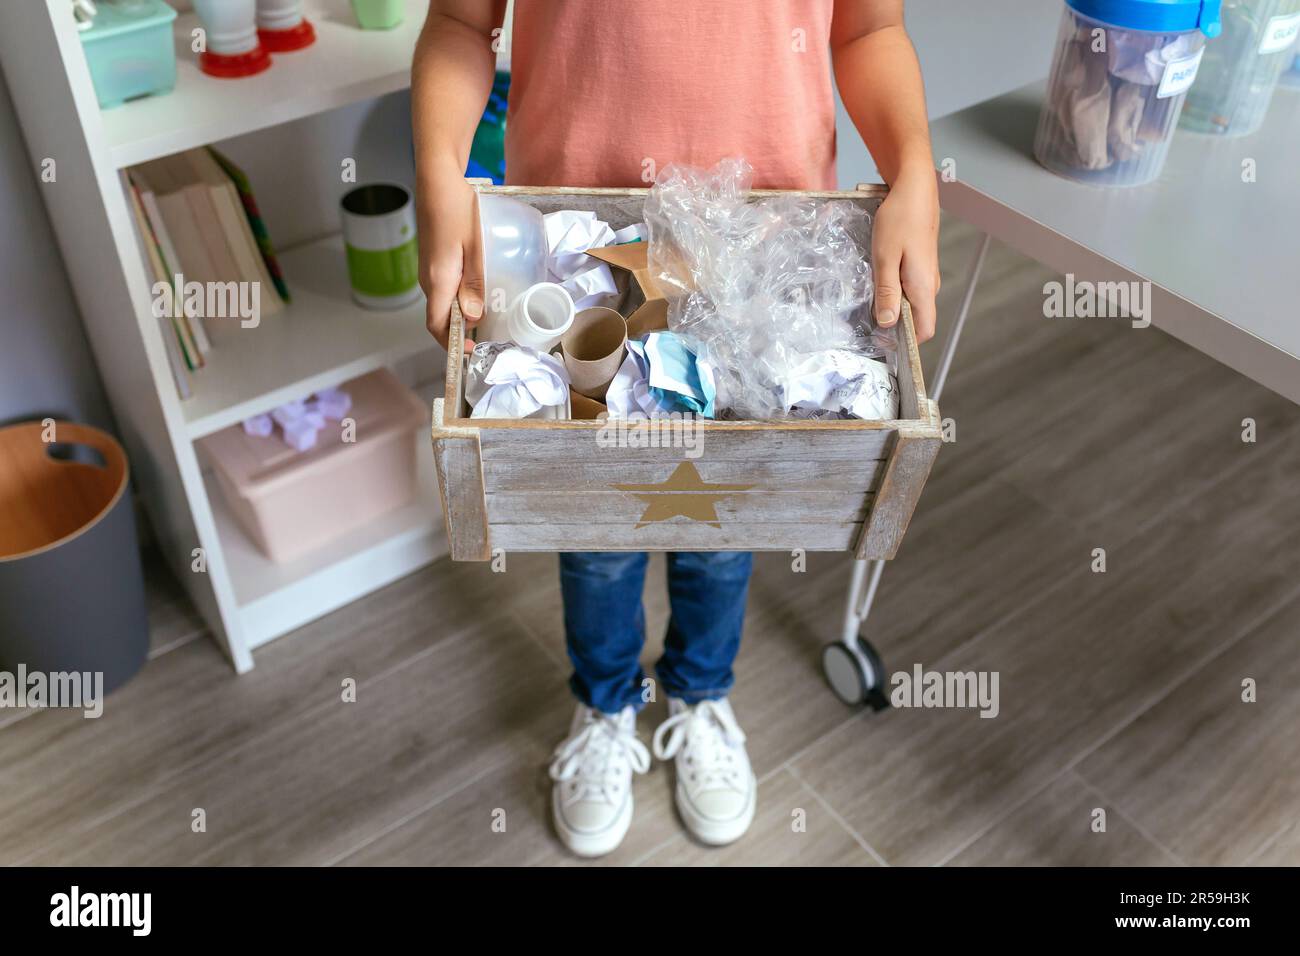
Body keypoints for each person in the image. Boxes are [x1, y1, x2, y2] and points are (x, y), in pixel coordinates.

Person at [413, 0, 940, 857]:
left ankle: (698, 694)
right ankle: (609, 700)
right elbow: (462, 25)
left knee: (720, 519)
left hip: (766, 256)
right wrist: (440, 173)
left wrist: (914, 167)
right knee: (597, 525)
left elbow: (869, 29)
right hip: (573, 254)